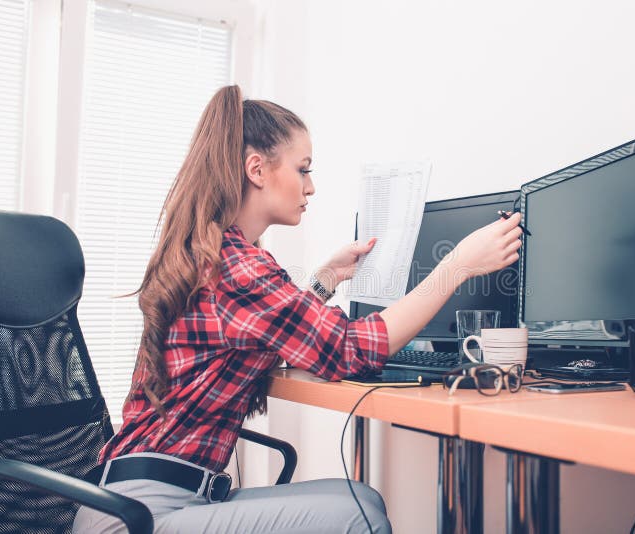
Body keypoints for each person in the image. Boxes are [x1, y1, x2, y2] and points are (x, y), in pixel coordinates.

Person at [72, 85, 523, 533]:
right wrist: (457, 265)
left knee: (362, 498)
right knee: (358, 517)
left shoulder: (222, 253)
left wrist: (324, 280)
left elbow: (272, 330)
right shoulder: (236, 266)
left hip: (144, 496)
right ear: (257, 169)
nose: (311, 186)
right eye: (303, 169)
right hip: (139, 516)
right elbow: (352, 349)